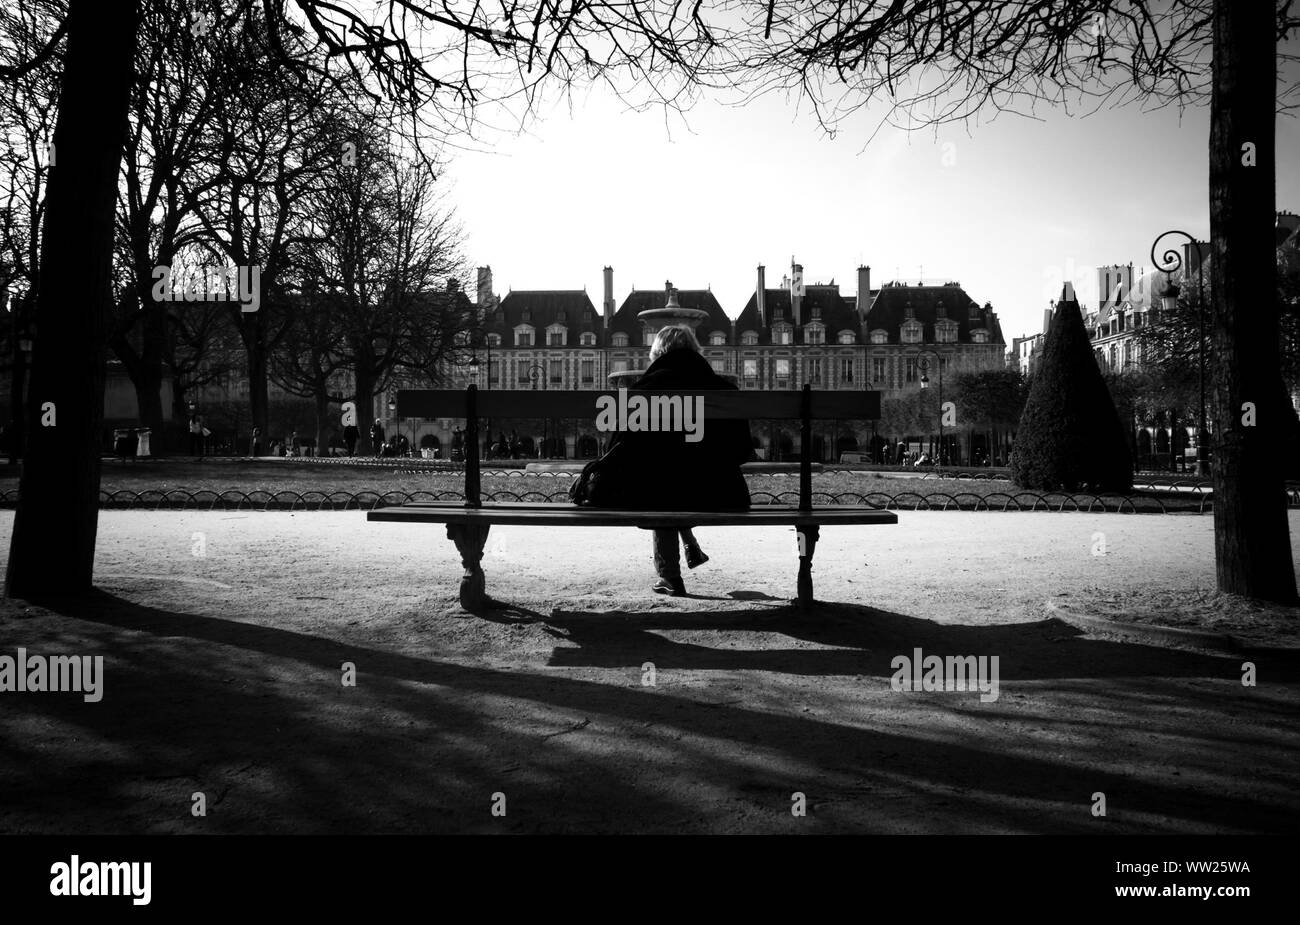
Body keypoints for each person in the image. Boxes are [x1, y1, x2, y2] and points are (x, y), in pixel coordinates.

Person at [595, 324, 753, 597]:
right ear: (696, 351)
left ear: (657, 354)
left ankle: (670, 575)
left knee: (660, 482)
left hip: (657, 495)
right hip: (719, 493)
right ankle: (689, 545)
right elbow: (741, 450)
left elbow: (616, 449)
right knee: (674, 480)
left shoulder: (642, 390)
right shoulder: (723, 388)